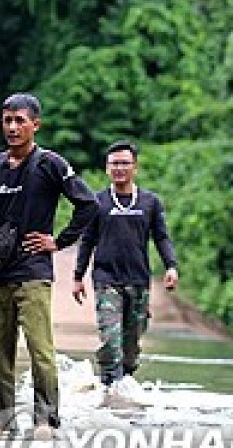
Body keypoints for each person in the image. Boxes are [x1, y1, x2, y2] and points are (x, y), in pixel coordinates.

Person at [0, 93, 98, 437]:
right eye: (7, 120)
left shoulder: (50, 164)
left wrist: (59, 241)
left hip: (34, 274)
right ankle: (3, 421)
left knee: (41, 353)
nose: (12, 127)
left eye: (20, 121)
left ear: (36, 124)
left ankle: (46, 419)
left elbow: (88, 204)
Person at [72, 140, 178, 394]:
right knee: (110, 339)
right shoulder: (97, 202)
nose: (119, 168)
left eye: (124, 163)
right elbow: (87, 241)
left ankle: (123, 386)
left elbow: (161, 237)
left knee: (130, 345)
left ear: (135, 167)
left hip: (139, 280)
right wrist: (77, 277)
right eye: (114, 163)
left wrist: (171, 266)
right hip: (106, 280)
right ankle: (109, 387)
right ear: (107, 168)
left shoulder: (150, 202)